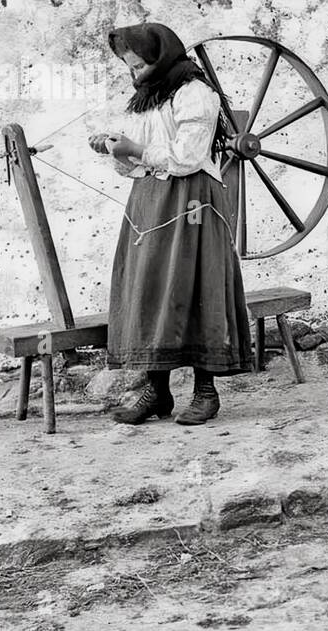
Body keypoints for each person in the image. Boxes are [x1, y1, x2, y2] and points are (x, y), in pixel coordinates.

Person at [89, 22, 251, 426]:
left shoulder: (196, 92)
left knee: (196, 287)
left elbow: (188, 155)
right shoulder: (147, 98)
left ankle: (205, 391)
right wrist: (114, 147)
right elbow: (138, 159)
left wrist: (136, 148)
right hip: (150, 201)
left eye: (140, 65)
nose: (135, 73)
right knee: (149, 289)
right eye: (129, 67)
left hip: (192, 198)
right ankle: (156, 392)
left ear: (160, 57)